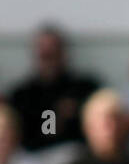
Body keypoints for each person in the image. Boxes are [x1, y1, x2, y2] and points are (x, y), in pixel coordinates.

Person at [7, 25, 100, 154]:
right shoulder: (21, 95)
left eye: (53, 51)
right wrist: (57, 118)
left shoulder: (85, 88)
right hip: (31, 158)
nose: (48, 56)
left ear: (63, 52)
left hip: (75, 157)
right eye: (44, 52)